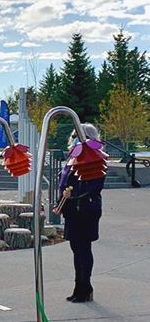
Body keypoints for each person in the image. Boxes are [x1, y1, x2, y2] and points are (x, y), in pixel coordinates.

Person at [58, 123, 104, 303]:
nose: (75, 139)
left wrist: (73, 194)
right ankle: (80, 287)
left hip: (85, 209)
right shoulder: (72, 158)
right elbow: (65, 182)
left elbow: (94, 186)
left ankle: (85, 287)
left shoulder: (96, 159)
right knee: (76, 249)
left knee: (83, 248)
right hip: (72, 210)